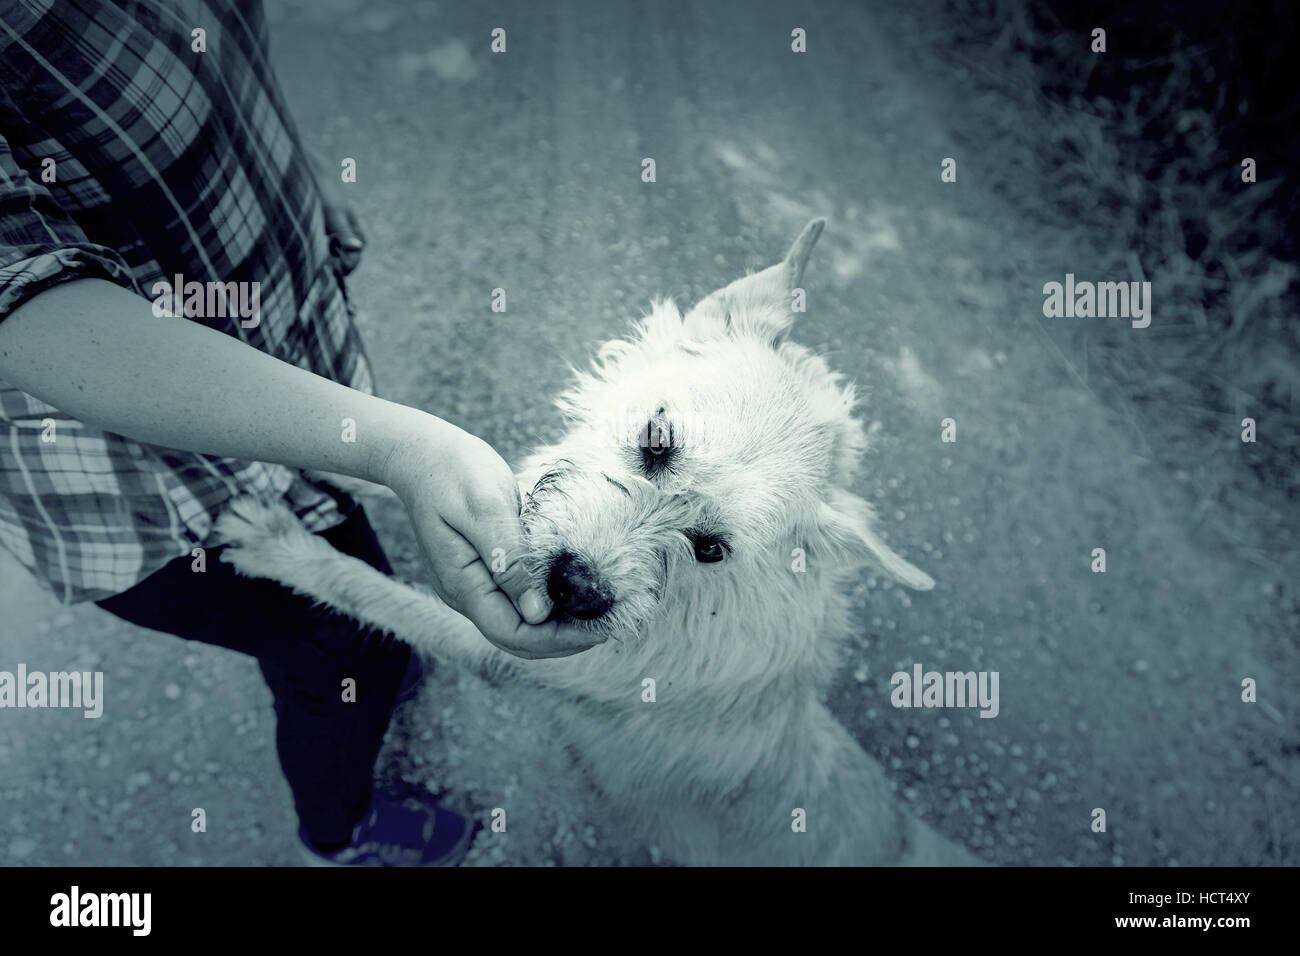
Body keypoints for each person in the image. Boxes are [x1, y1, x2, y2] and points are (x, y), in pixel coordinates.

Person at [0, 0, 595, 866]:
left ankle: (375, 675)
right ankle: (340, 832)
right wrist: (399, 447)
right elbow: (26, 300)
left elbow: (216, 38)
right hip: (141, 471)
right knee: (338, 644)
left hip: (266, 348)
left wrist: (296, 165)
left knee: (360, 599)